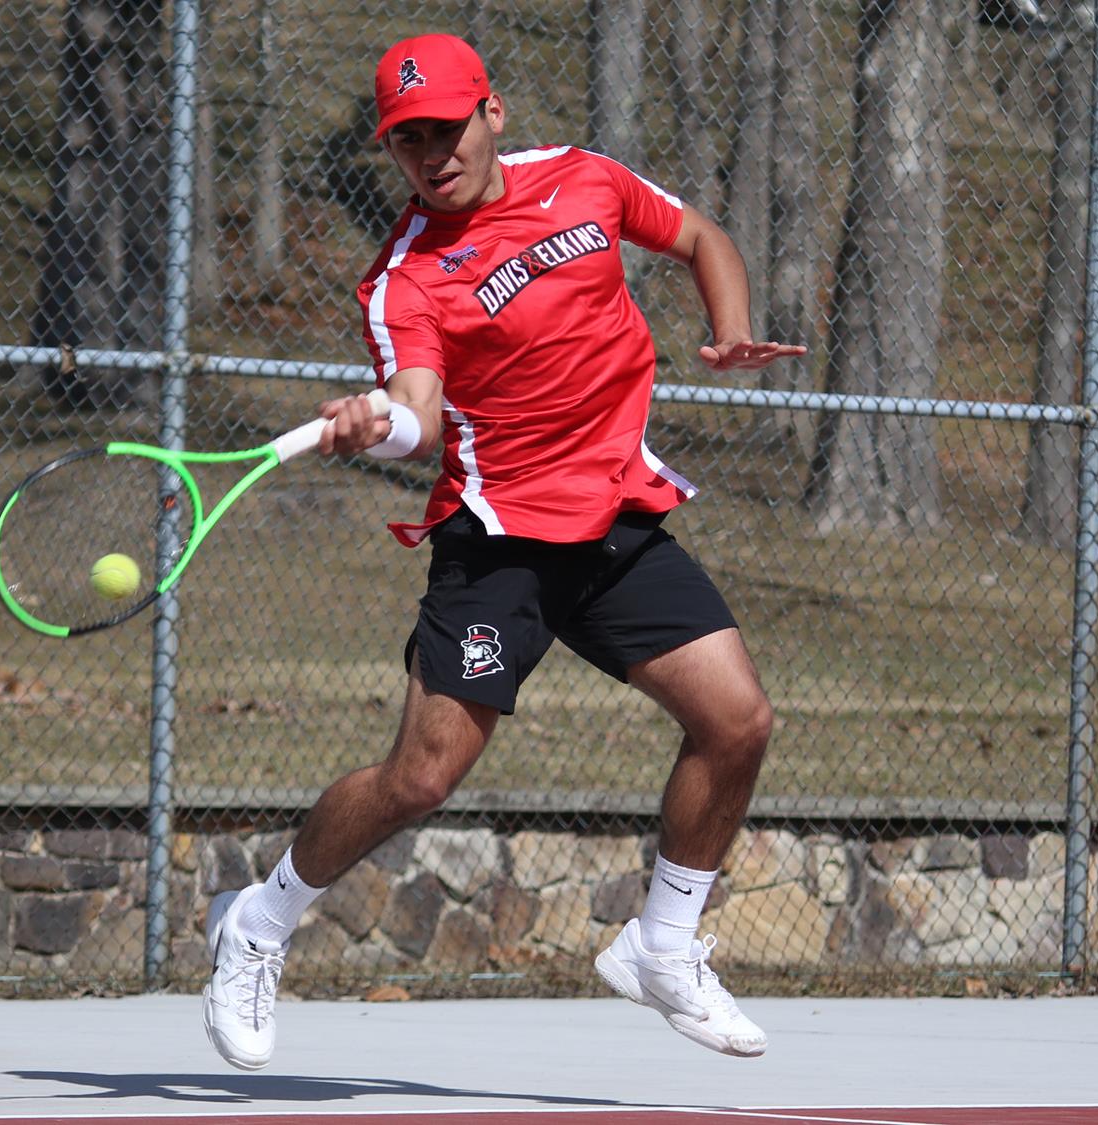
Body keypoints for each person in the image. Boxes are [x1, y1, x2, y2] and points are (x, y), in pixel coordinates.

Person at [201, 32, 805, 1070]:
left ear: (492, 114)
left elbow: (700, 235)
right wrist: (374, 425)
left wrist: (727, 328)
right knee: (421, 779)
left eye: (444, 128)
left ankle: (662, 948)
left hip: (614, 518)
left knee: (737, 720)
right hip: (497, 545)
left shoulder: (585, 179)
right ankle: (256, 922)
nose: (430, 154)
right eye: (406, 142)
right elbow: (418, 417)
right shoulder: (404, 279)